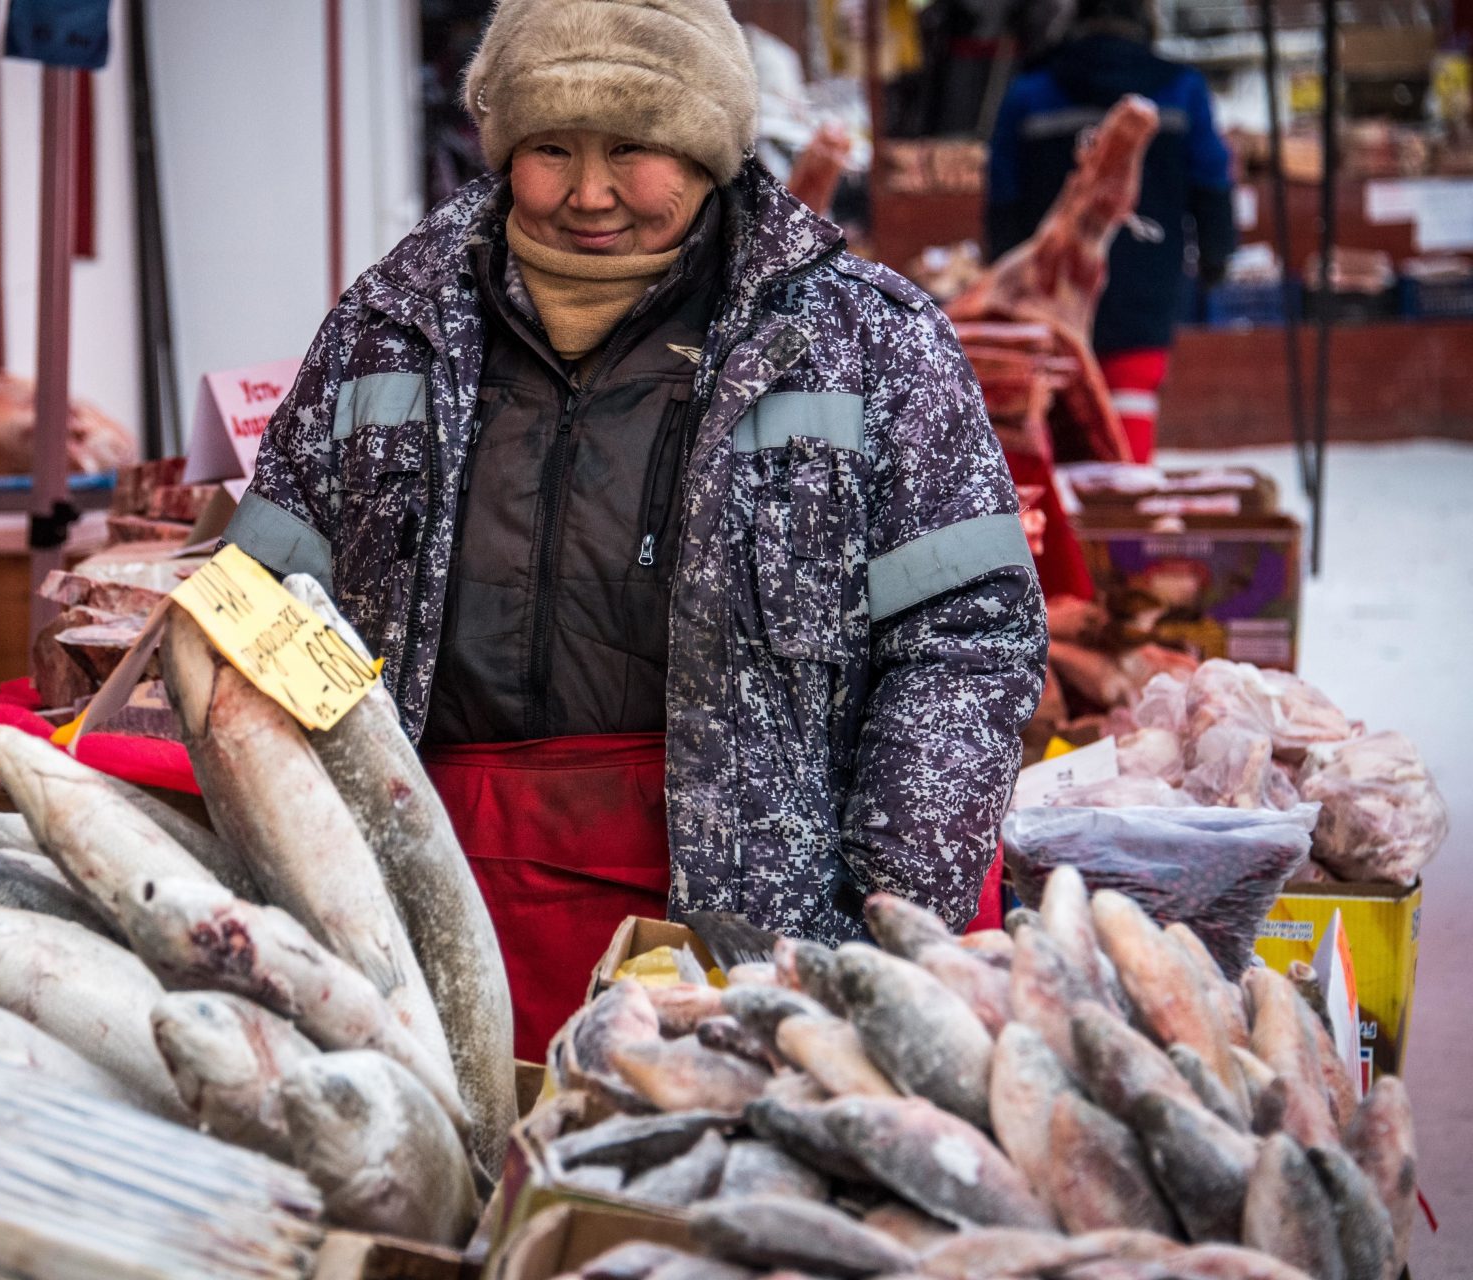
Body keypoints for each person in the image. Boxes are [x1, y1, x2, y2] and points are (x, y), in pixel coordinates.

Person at [229, 0, 1047, 1057]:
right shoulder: (388, 326)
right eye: (551, 149)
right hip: (419, 921)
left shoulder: (863, 341)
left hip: (755, 948)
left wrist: (894, 913)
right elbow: (259, 611)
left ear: (710, 149)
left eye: (634, 149)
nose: (589, 193)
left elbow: (966, 637)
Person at [985, 0, 1236, 464]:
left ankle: (1064, 531)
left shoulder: (1029, 93)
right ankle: (1124, 522)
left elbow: (1002, 194)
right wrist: (1217, 255)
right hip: (1148, 286)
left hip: (1049, 292)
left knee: (1051, 425)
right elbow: (1212, 180)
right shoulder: (1182, 89)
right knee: (1128, 425)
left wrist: (1005, 270)